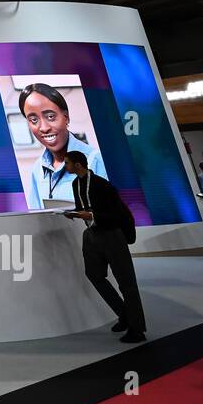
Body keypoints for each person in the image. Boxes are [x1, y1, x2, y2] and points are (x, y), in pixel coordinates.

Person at [62, 151, 146, 343]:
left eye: (67, 163)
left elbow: (117, 215)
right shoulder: (76, 184)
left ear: (78, 165)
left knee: (126, 283)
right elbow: (83, 207)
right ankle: (124, 315)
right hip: (91, 235)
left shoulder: (102, 185)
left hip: (112, 235)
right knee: (94, 275)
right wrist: (74, 214)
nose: (64, 166)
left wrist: (92, 216)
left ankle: (137, 329)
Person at [19, 83, 106, 207]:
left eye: (50, 116)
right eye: (33, 120)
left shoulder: (97, 161)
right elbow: (36, 218)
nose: (44, 128)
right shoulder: (37, 169)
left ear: (66, 117)